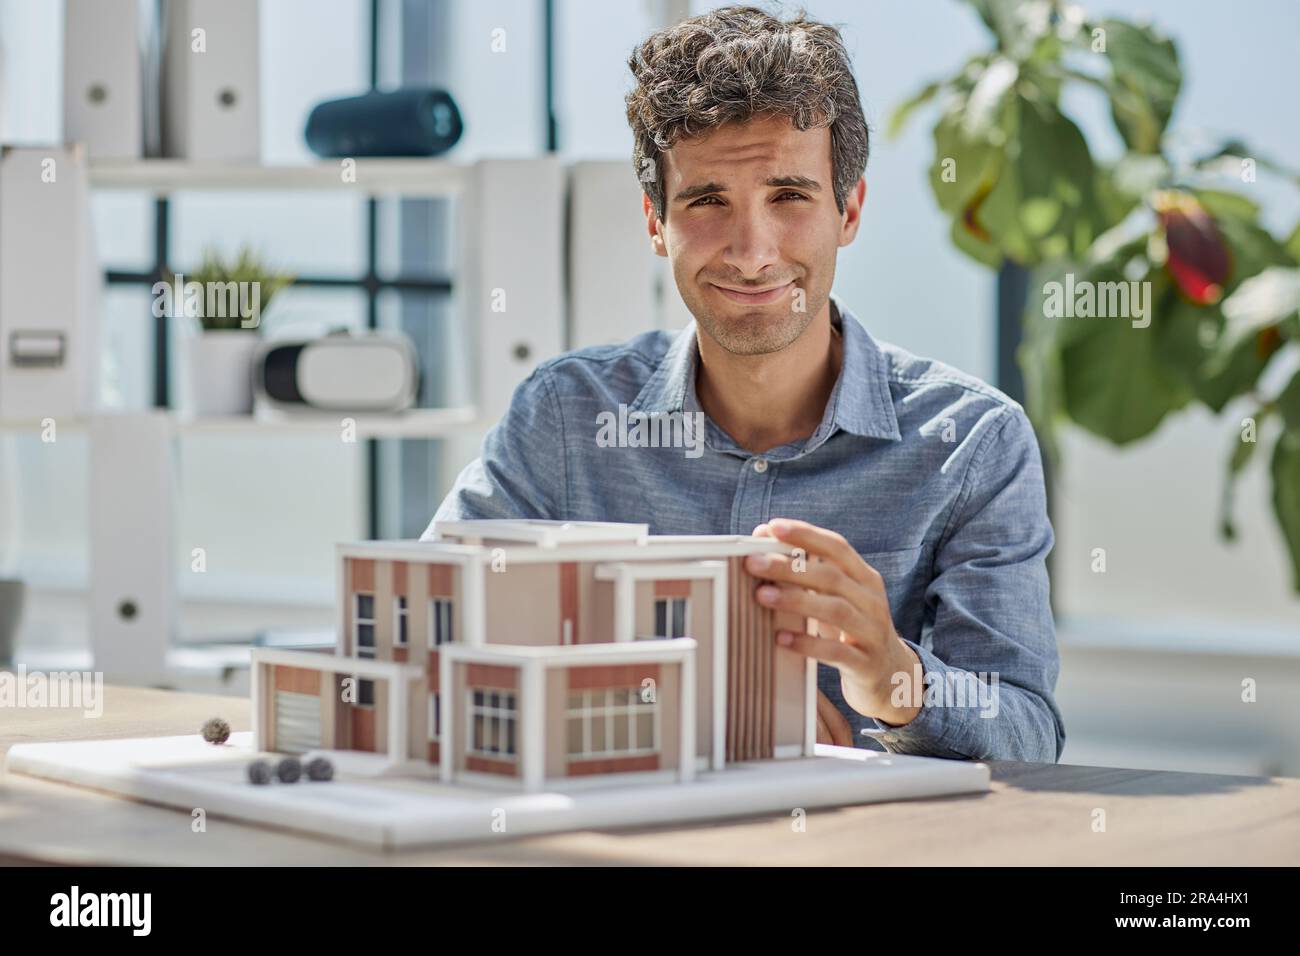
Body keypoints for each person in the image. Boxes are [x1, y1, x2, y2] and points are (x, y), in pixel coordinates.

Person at [428, 5, 1064, 763]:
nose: (752, 252)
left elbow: (1027, 732)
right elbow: (431, 631)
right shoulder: (566, 416)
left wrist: (893, 677)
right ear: (655, 221)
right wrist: (680, 714)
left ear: (849, 210)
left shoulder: (974, 443)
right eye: (707, 202)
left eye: (789, 197)